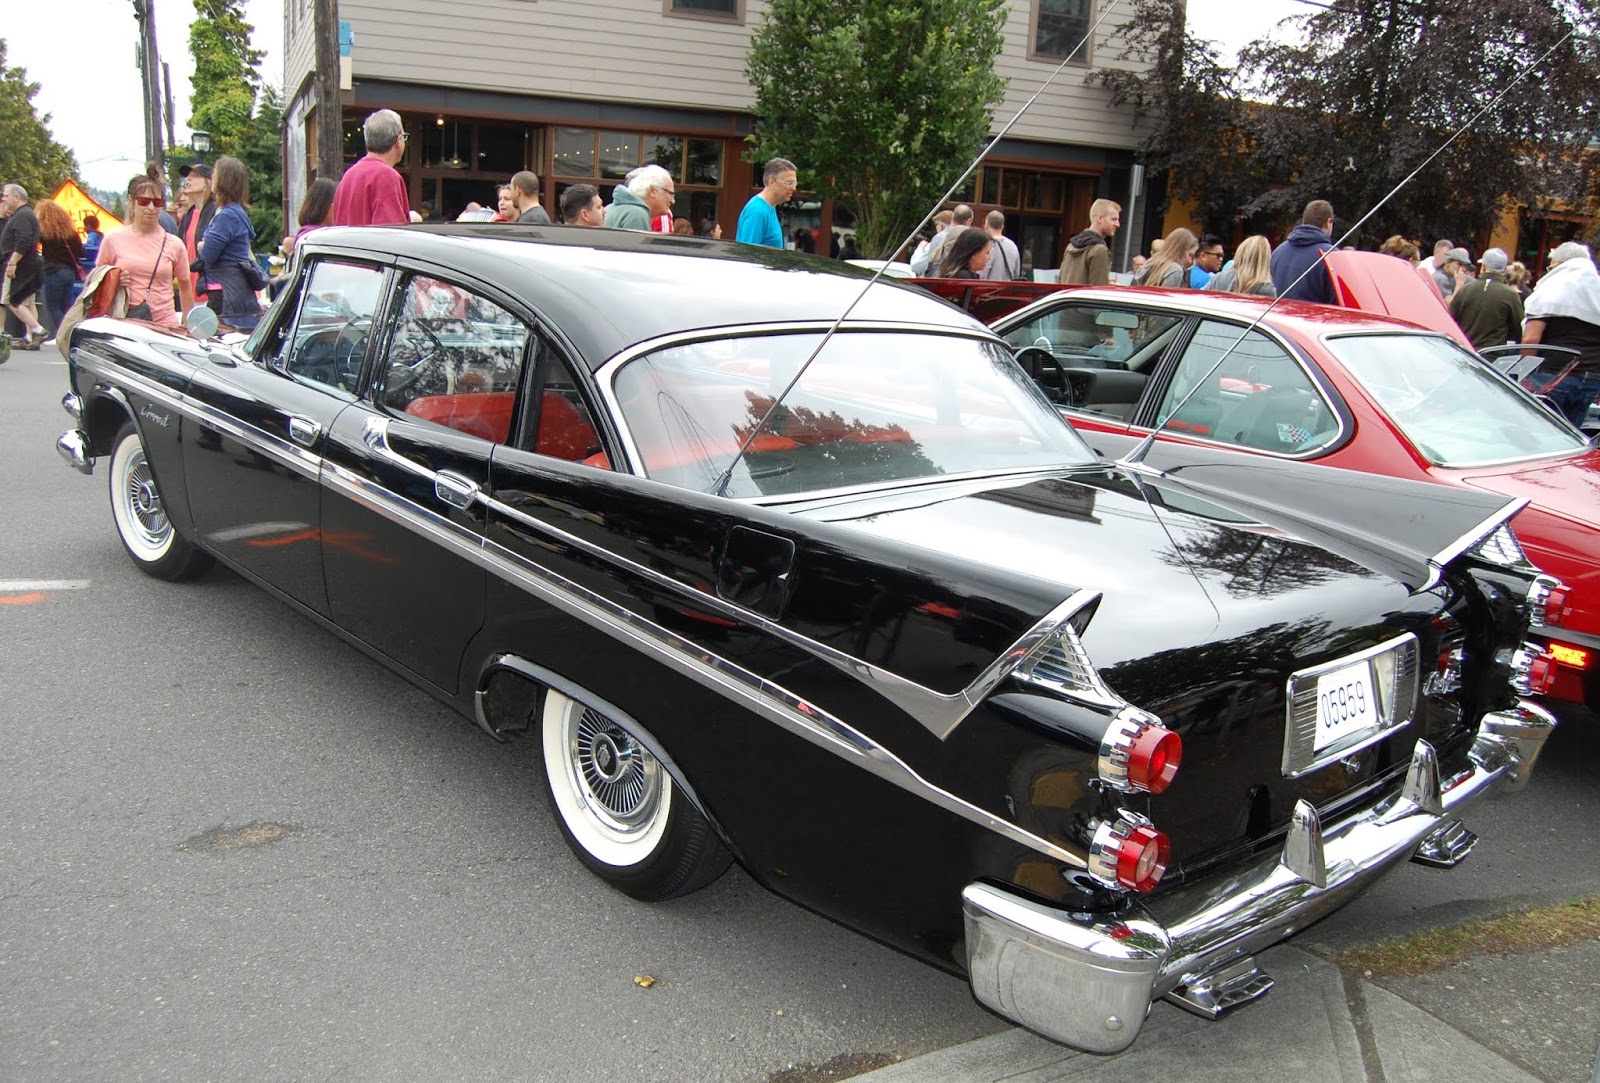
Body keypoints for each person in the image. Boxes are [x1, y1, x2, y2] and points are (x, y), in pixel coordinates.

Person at [95, 176, 193, 329]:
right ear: (131, 201)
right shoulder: (113, 239)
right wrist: (114, 278)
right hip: (125, 324)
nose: (151, 207)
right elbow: (97, 280)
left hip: (165, 324)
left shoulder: (174, 244)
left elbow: (185, 286)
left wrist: (189, 325)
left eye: (157, 202)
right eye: (144, 201)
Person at [1521, 240, 1600, 427]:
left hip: (1553, 377)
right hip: (1592, 378)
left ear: (1560, 264)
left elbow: (1531, 338)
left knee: (1541, 434)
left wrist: (1525, 376)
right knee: (1571, 438)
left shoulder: (1553, 288)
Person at [198, 156, 262, 331]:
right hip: (235, 288)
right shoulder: (235, 212)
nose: (212, 176)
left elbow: (208, 254)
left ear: (224, 179)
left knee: (219, 337)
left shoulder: (226, 216)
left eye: (215, 173)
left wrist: (202, 245)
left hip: (225, 293)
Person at [331, 109, 411, 226]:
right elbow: (390, 235)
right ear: (398, 141)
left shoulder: (348, 176)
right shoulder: (386, 176)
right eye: (404, 137)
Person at [1448, 247, 1524, 352]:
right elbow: (1519, 330)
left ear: (1483, 266)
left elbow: (1450, 320)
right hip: (1491, 357)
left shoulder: (1465, 290)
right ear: (1505, 270)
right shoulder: (1510, 295)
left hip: (1464, 353)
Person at [0, 183, 48, 347]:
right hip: (28, 265)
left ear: (16, 197)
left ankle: (37, 329)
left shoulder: (22, 216)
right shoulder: (23, 214)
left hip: (22, 265)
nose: (3, 198)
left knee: (10, 299)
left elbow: (24, 240)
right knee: (24, 301)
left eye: (6, 195)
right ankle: (30, 336)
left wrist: (12, 262)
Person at [1270, 199, 1337, 303]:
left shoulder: (1278, 252)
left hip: (1277, 316)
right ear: (1328, 223)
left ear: (1304, 221)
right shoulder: (1332, 256)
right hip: (1314, 318)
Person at [35, 198, 85, 332]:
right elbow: (81, 252)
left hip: (53, 271)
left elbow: (33, 242)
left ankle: (63, 334)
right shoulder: (72, 233)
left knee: (53, 307)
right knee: (65, 307)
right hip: (69, 273)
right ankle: (70, 332)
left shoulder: (46, 234)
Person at [175, 163, 218, 305]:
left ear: (208, 182)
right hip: (189, 289)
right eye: (187, 176)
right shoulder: (189, 215)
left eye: (195, 176)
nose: (188, 180)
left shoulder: (216, 212)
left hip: (210, 289)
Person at [735, 158, 797, 247]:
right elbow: (746, 254)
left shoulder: (768, 208)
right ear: (772, 182)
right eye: (789, 183)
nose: (793, 188)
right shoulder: (758, 211)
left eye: (795, 184)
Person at [1057, 199, 1120, 286]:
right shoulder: (1099, 250)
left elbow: (1060, 282)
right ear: (1100, 218)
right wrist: (1107, 286)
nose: (1117, 224)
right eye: (1114, 219)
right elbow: (1098, 291)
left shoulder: (1070, 246)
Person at [606, 164, 674, 232]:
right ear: (653, 191)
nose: (673, 201)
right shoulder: (637, 214)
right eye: (670, 194)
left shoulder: (610, 208)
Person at [1206, 235, 1275, 297]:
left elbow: (1204, 300)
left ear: (1240, 252)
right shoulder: (1266, 289)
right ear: (1266, 260)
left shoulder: (1219, 278)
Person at [922, 204, 975, 273]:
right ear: (969, 221)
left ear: (953, 217)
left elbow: (930, 264)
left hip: (939, 279)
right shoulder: (972, 239)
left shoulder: (938, 238)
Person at [978, 210, 1023, 281]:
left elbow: (982, 273)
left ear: (986, 225)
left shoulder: (984, 244)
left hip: (986, 289)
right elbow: (1016, 273)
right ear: (1002, 227)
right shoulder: (1012, 246)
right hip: (1005, 289)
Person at [909, 210, 953, 275]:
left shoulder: (936, 241)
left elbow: (916, 266)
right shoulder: (961, 238)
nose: (936, 228)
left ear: (941, 225)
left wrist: (920, 248)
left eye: (936, 225)